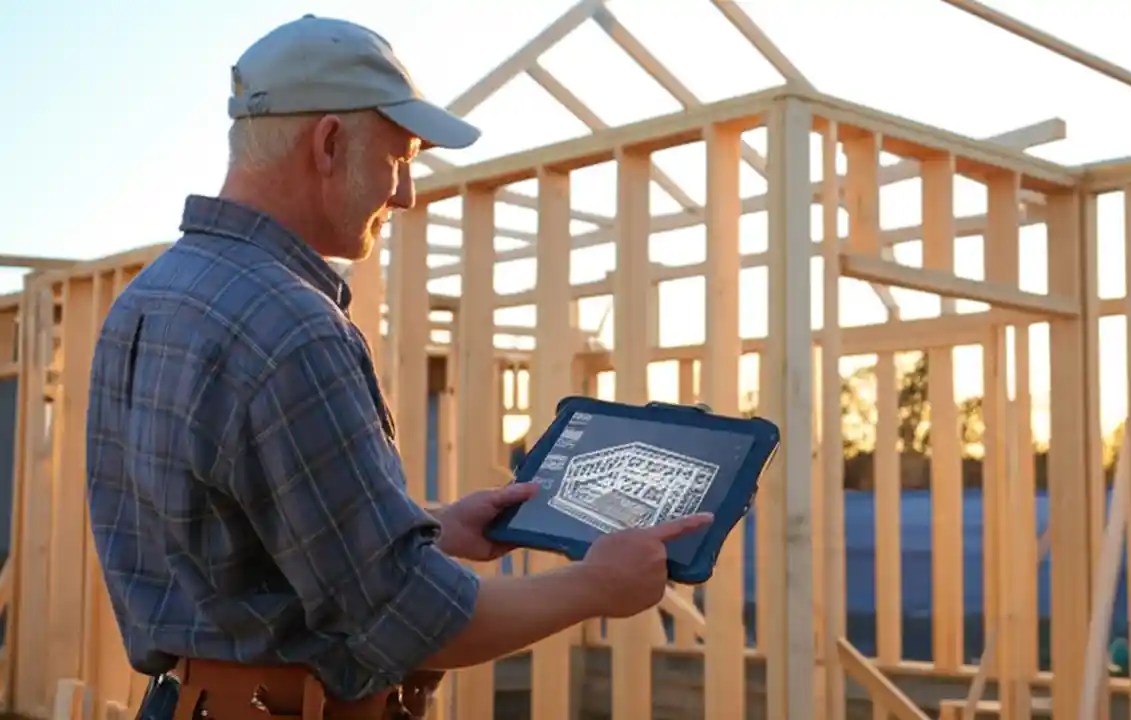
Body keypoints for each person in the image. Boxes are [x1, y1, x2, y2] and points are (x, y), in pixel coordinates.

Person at [84, 14, 712, 719]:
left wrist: (430, 529)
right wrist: (598, 587)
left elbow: (231, 540)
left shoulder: (147, 300)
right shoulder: (293, 327)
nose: (406, 194)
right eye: (400, 157)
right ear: (327, 143)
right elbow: (413, 618)